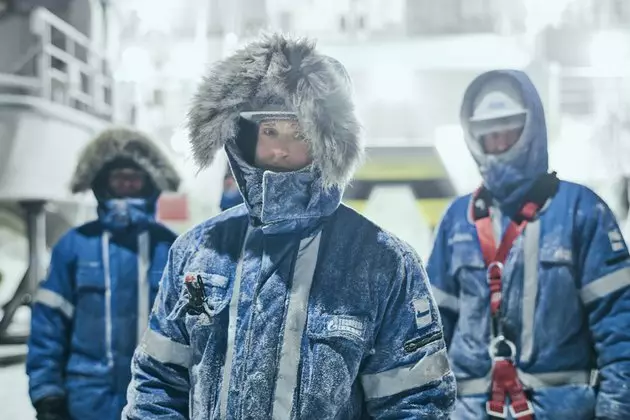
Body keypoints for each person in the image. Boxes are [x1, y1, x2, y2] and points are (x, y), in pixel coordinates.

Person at [123, 33, 455, 419]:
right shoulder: (199, 252)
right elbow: (157, 383)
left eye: (299, 134)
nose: (281, 149)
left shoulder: (383, 263)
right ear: (246, 137)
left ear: (327, 142)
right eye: (270, 132)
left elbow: (415, 402)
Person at [427, 69, 630, 419]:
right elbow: (428, 338)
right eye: (488, 133)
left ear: (532, 128)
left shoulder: (582, 211)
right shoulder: (458, 220)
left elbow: (620, 330)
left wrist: (615, 412)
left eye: (509, 129)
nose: (499, 142)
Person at [26, 128, 181, 420]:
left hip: (155, 401)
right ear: (102, 183)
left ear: (149, 183)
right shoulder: (74, 246)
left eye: (134, 178)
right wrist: (47, 393)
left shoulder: (171, 247)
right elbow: (49, 326)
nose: (127, 185)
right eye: (118, 178)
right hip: (86, 401)